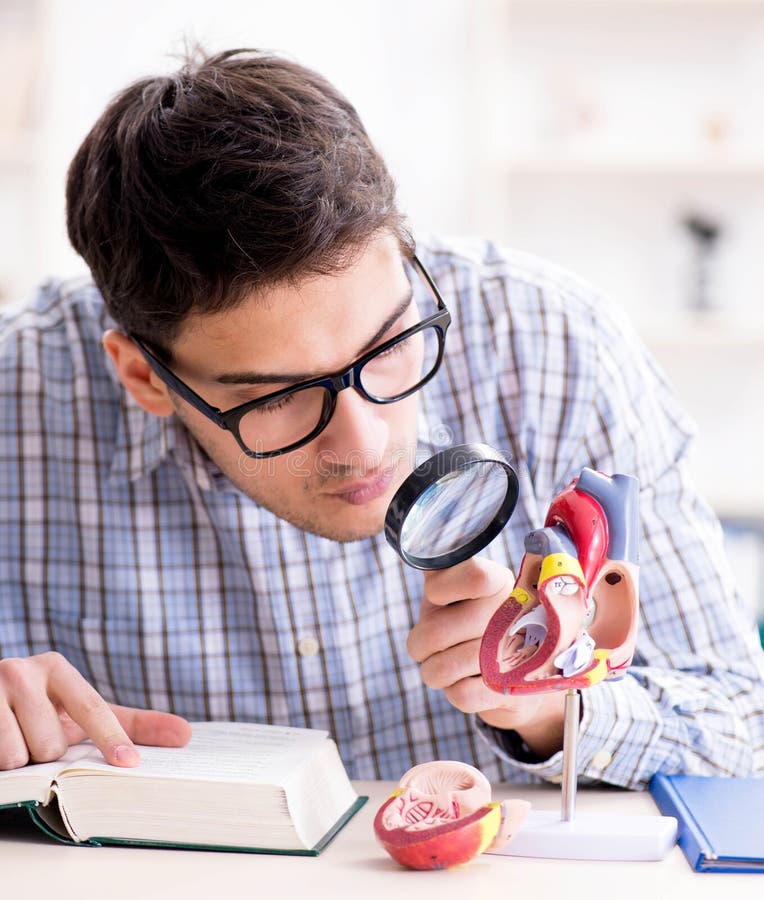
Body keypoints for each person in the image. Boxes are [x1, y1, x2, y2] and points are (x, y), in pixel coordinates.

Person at [0, 48, 762, 787]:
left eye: (391, 343)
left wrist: (553, 705)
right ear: (143, 376)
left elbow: (742, 727)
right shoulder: (18, 399)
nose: (365, 442)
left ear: (401, 250)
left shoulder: (556, 341)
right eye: (277, 396)